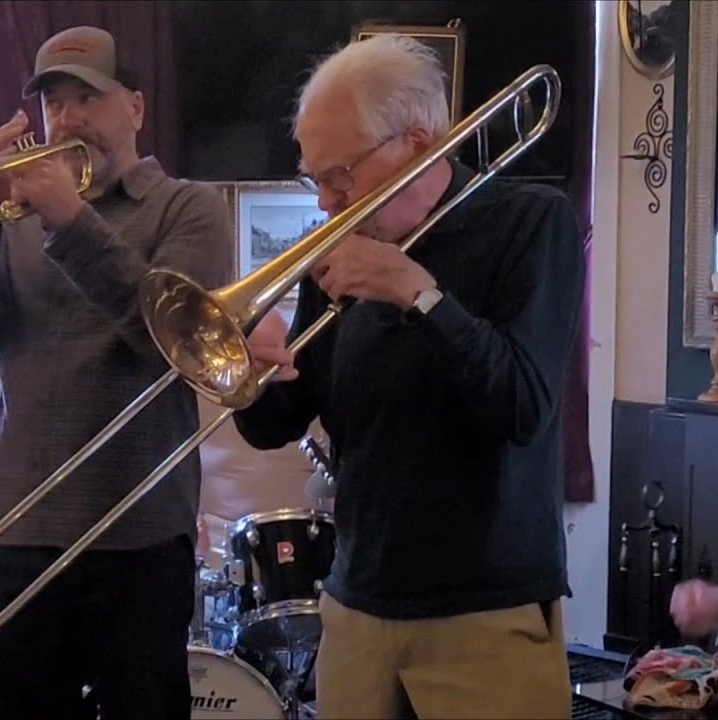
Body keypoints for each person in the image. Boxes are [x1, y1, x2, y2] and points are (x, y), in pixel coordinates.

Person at [233, 35, 586, 718]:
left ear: (419, 145)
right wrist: (252, 373)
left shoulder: (532, 222)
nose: (330, 203)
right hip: (357, 607)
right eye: (317, 180)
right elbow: (276, 424)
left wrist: (417, 294)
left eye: (342, 176)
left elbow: (524, 406)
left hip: (486, 615)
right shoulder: (339, 250)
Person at [0, 25, 233, 720]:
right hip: (15, 530)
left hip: (137, 535)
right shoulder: (14, 217)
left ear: (136, 108)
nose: (67, 119)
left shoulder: (187, 207)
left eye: (88, 98)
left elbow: (174, 340)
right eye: (54, 102)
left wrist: (70, 220)